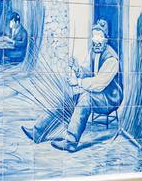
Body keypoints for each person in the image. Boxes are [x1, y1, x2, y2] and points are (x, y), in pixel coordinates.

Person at [22, 20, 122, 152]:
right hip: (98, 93)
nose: (96, 40)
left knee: (86, 98)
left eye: (100, 36)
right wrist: (77, 68)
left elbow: (99, 84)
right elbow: (89, 73)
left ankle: (71, 141)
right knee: (69, 95)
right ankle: (38, 131)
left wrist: (78, 83)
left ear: (106, 38)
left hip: (110, 98)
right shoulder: (93, 52)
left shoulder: (111, 59)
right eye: (94, 36)